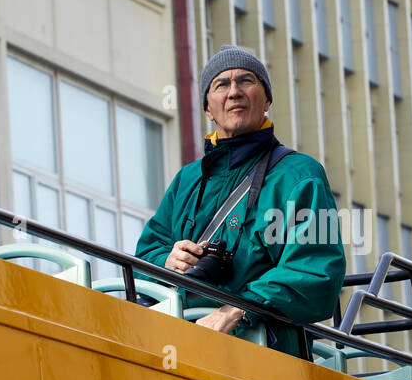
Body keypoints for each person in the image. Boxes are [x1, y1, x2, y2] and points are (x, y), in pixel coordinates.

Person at [134, 45, 344, 358]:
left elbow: (317, 274)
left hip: (265, 357)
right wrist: (168, 259)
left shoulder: (301, 175)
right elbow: (144, 256)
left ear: (267, 99)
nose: (234, 92)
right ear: (208, 108)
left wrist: (236, 310)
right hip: (178, 349)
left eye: (246, 81)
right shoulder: (187, 180)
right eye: (221, 84)